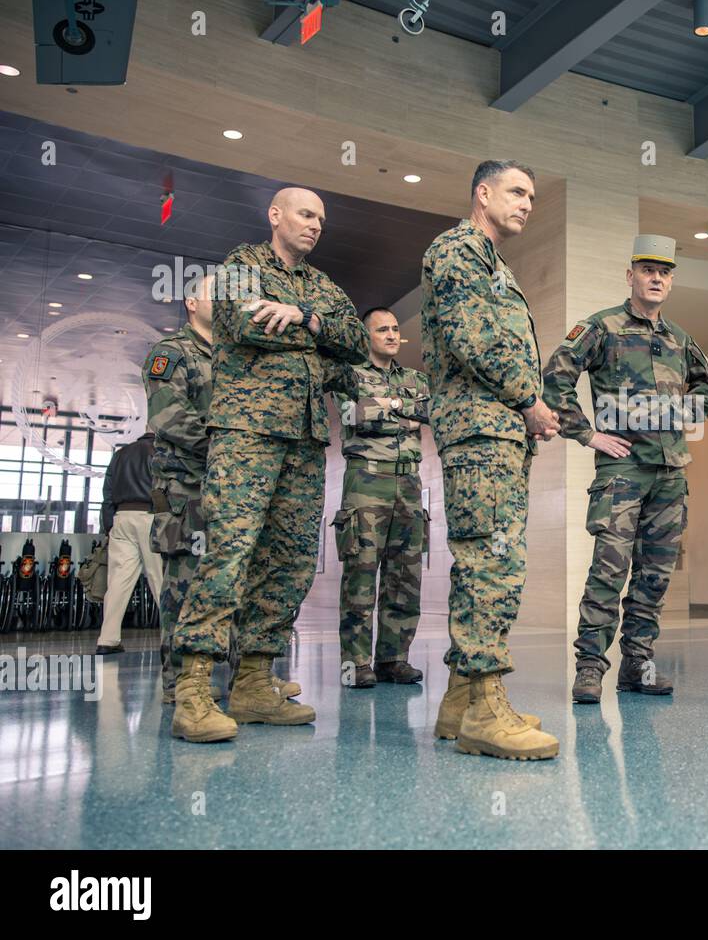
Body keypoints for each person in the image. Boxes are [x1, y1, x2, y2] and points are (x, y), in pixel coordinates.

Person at [170, 187, 369, 743]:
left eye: (322, 220)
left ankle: (255, 682)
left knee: (290, 559)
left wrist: (302, 316)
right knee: (229, 551)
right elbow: (243, 323)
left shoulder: (321, 287)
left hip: (304, 439)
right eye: (306, 215)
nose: (315, 226)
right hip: (248, 433)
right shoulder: (240, 265)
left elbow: (353, 341)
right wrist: (316, 336)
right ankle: (192, 689)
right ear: (275, 216)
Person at [545, 234, 708, 704]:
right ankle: (588, 669)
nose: (657, 278)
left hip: (671, 472)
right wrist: (585, 433)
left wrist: (689, 414)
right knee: (608, 570)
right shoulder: (601, 327)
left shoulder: (679, 338)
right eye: (648, 270)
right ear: (631, 276)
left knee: (655, 575)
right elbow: (557, 374)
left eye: (665, 272)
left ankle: (637, 665)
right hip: (622, 472)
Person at [421, 159, 560, 760]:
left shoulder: (493, 261)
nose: (527, 204)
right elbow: (470, 336)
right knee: (490, 564)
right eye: (516, 192)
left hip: (495, 428)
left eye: (532, 196)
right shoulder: (458, 250)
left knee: (483, 558)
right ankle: (485, 708)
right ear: (483, 193)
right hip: (481, 426)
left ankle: (459, 701)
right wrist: (528, 398)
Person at [143, 274, 300, 704]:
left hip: (234, 489)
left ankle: (242, 681)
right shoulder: (171, 354)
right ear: (192, 303)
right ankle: (179, 683)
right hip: (187, 488)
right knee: (185, 586)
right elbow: (168, 418)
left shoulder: (237, 356)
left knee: (235, 582)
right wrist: (231, 448)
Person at [327, 306, 431, 689]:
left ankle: (393, 658)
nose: (391, 335)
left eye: (394, 330)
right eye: (382, 330)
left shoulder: (416, 380)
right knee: (361, 573)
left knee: (405, 576)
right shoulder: (349, 374)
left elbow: (431, 411)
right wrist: (401, 412)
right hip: (366, 481)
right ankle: (355, 663)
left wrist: (394, 405)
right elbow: (353, 415)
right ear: (365, 336)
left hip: (409, 484)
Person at [94, 432, 163, 656]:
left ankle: (108, 639)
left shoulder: (120, 454)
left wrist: (108, 525)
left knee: (118, 582)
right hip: (151, 516)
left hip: (121, 518)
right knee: (160, 580)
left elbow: (107, 493)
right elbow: (165, 487)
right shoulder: (160, 451)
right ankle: (171, 639)